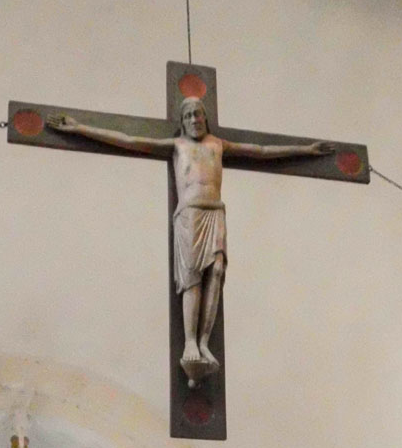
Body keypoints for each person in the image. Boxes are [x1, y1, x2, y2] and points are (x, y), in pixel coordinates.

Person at [51, 100, 331, 385]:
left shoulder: (218, 144)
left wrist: (306, 150)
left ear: (205, 118)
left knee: (218, 273)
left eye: (198, 114)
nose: (194, 119)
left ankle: (204, 342)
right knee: (192, 279)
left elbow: (261, 152)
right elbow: (129, 140)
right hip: (190, 215)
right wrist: (79, 128)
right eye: (188, 116)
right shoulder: (177, 146)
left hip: (215, 212)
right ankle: (190, 343)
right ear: (182, 122)